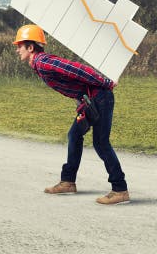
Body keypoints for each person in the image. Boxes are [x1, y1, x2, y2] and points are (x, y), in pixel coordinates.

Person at [13, 24, 130, 205]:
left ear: (30, 47)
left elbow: (77, 69)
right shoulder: (39, 64)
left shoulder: (43, 62)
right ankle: (68, 182)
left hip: (100, 97)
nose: (17, 49)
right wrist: (81, 102)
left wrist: (105, 82)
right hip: (90, 100)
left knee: (101, 143)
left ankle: (120, 189)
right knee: (74, 135)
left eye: (19, 45)